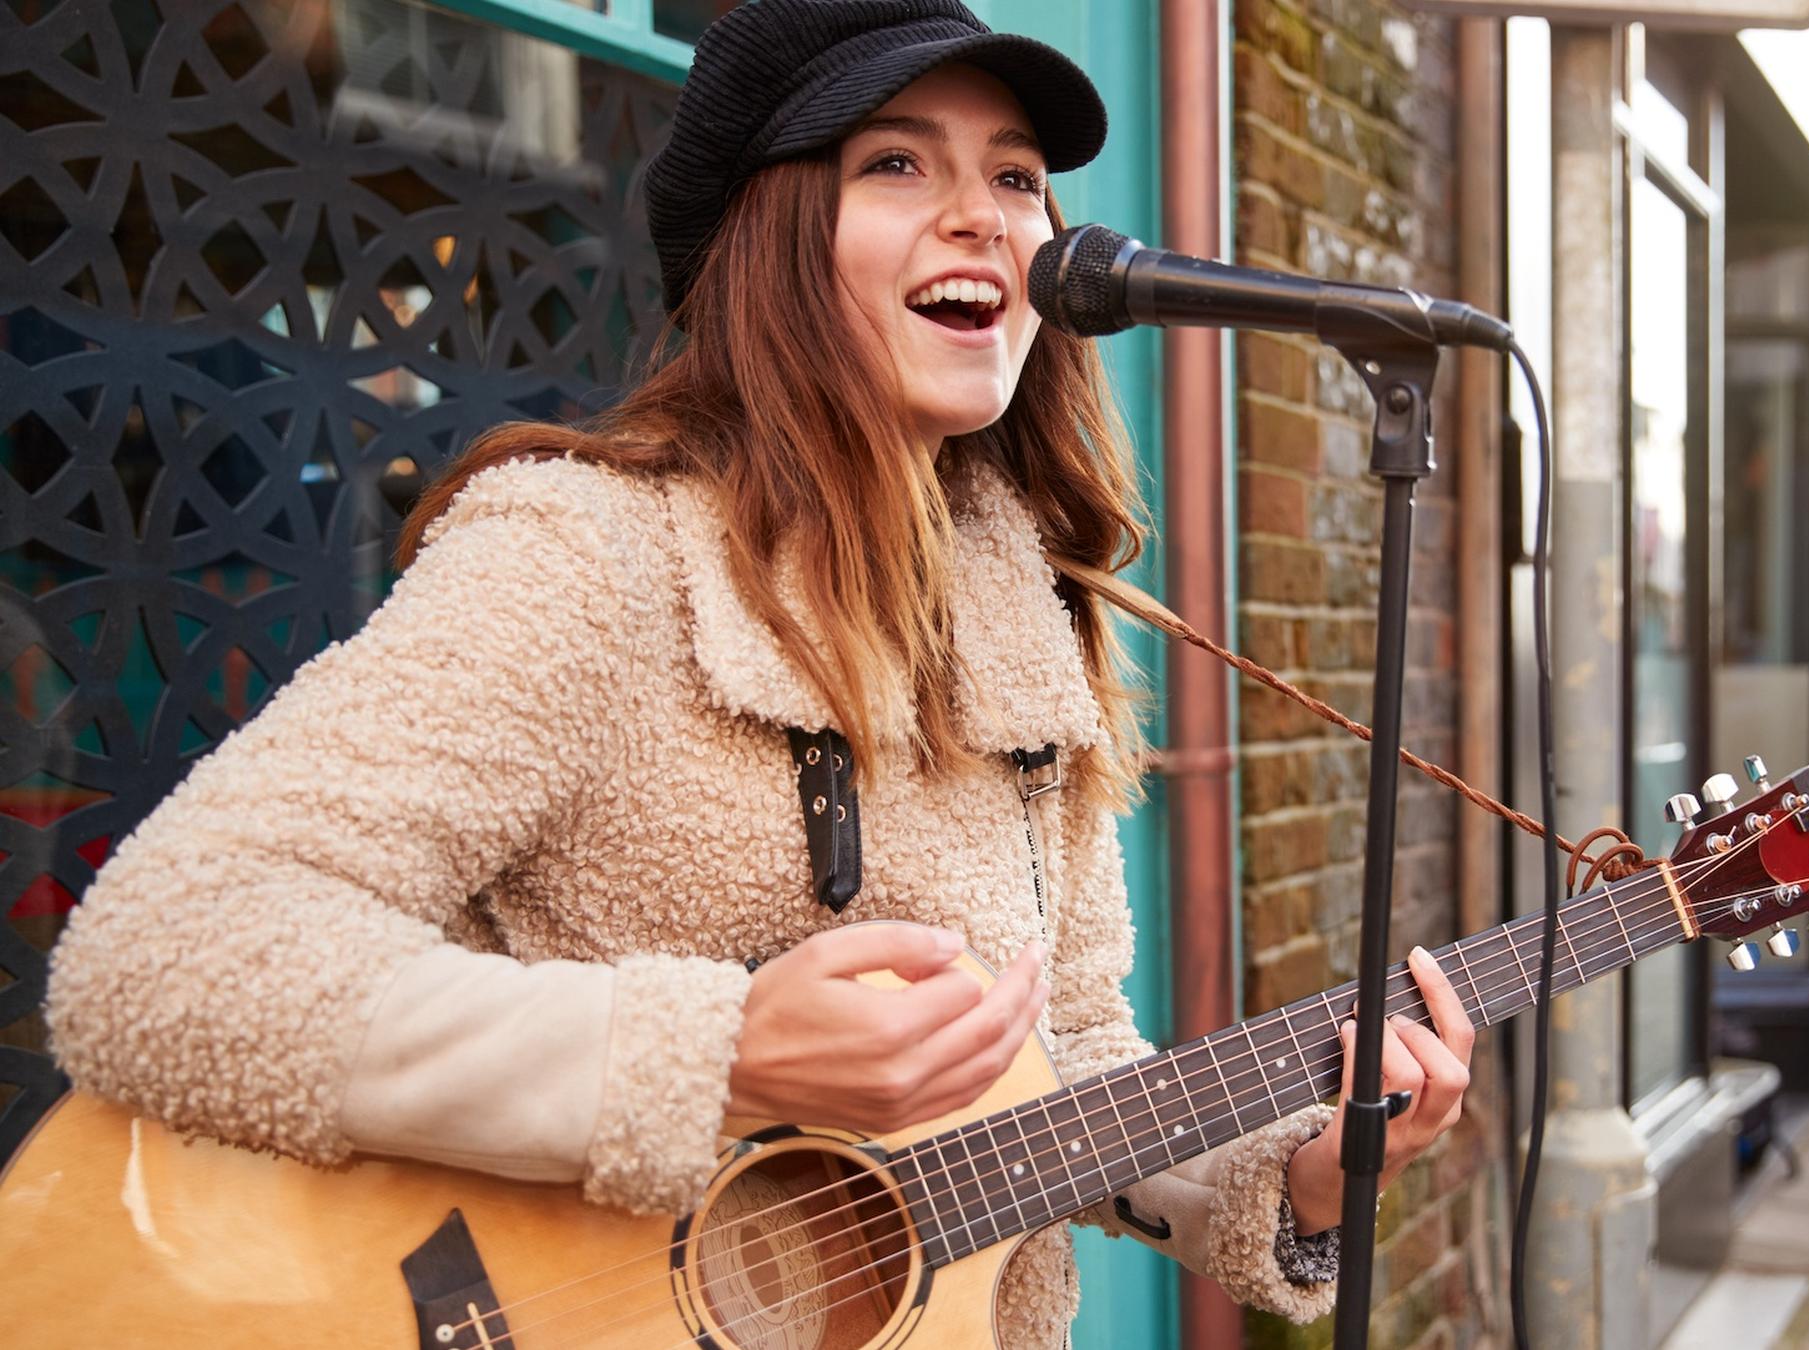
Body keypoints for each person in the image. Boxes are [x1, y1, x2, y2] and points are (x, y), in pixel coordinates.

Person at [45, 0, 1473, 1345]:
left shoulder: (1030, 615)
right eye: (898, 162)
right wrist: (714, 1052)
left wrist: (1294, 1179)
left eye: (1019, 176)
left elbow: (1069, 1056)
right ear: (771, 239)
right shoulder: (586, 556)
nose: (988, 214)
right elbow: (159, 956)